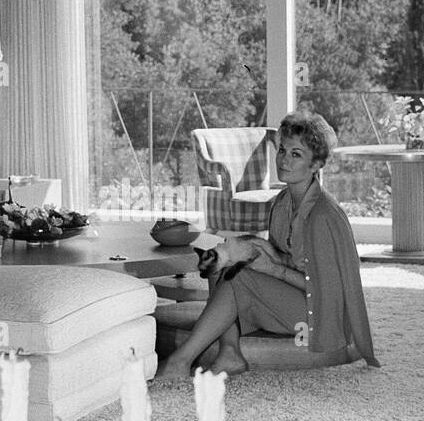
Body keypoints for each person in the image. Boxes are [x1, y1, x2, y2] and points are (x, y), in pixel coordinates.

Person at [157, 111, 379, 380]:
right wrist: (255, 252)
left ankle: (181, 360)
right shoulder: (283, 201)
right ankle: (229, 352)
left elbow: (327, 290)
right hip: (295, 297)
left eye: (296, 154)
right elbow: (286, 257)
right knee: (223, 263)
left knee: (239, 278)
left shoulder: (323, 216)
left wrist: (272, 270)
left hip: (319, 314)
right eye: (283, 150)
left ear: (316, 164)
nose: (284, 159)